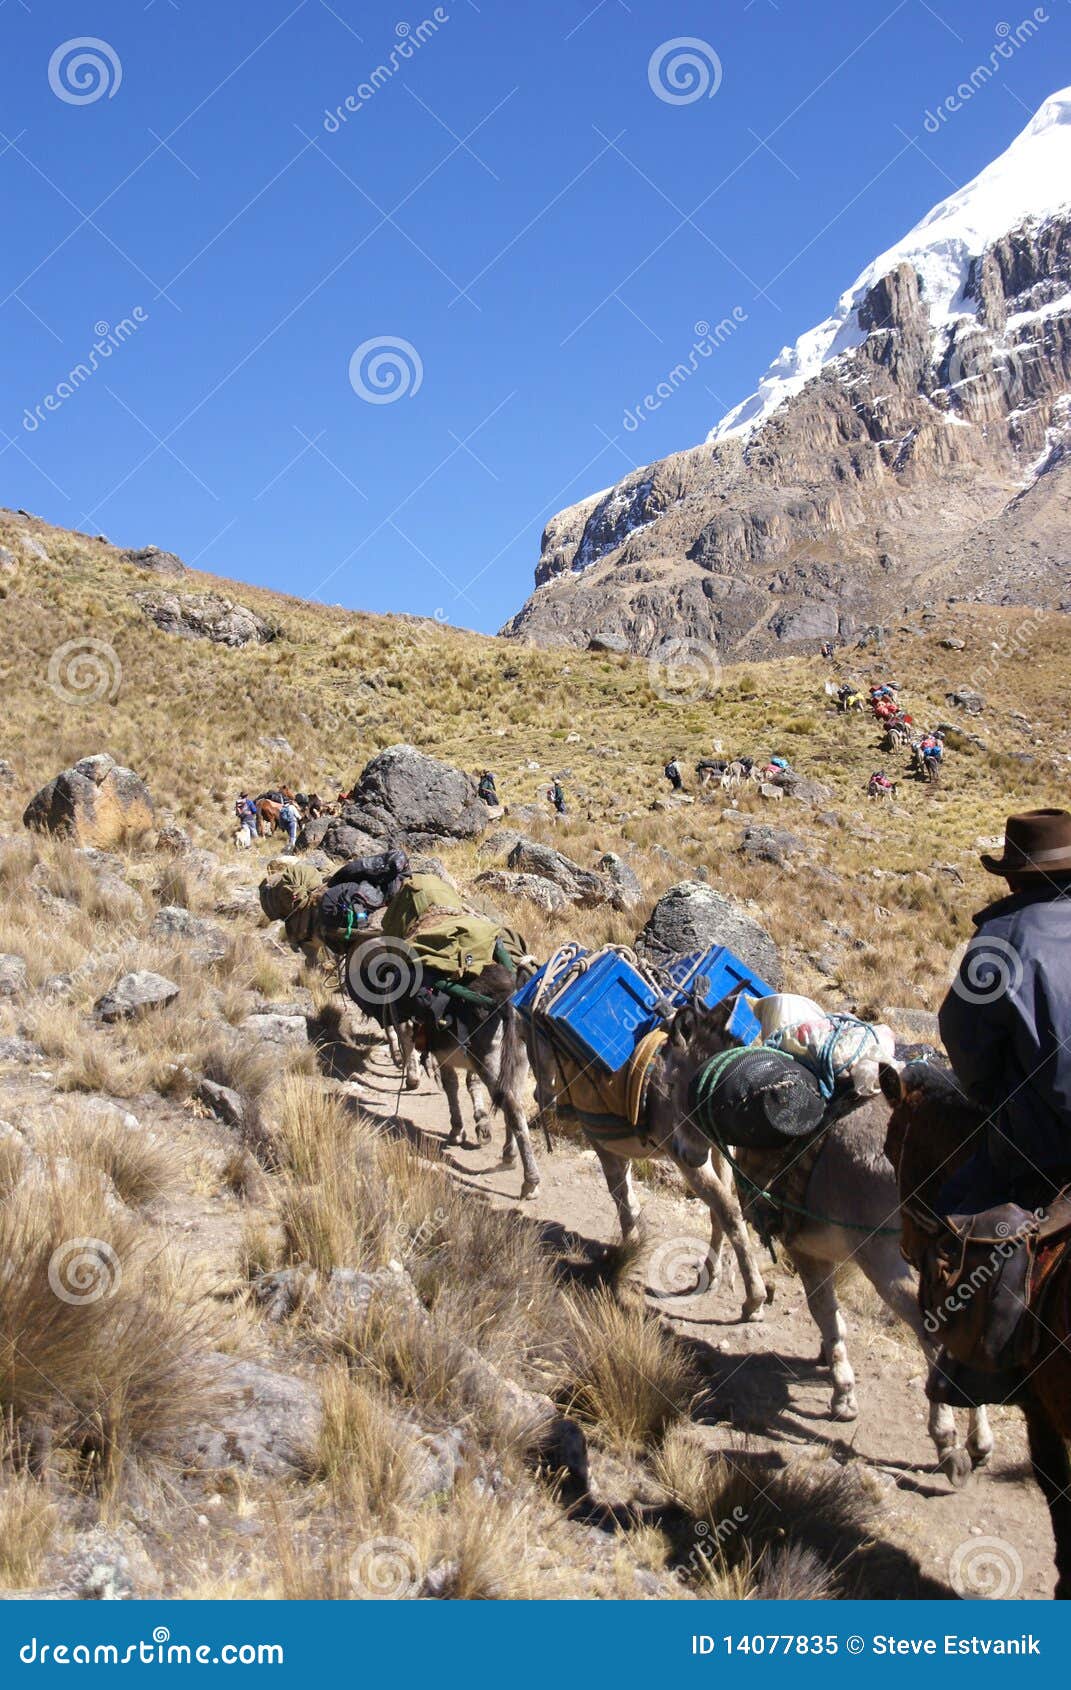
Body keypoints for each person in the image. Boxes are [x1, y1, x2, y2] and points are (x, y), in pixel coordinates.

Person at [938, 810, 1071, 1217]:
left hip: (1048, 1147)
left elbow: (965, 1043)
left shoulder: (1001, 938)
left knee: (947, 1217)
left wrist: (993, 1094)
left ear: (1011, 878)